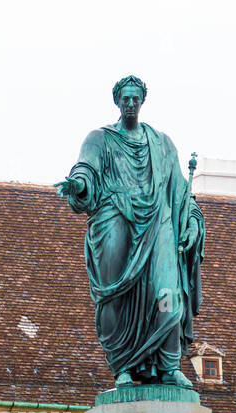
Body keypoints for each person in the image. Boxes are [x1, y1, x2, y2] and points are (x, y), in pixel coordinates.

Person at [56, 75, 205, 389]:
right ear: (116, 101)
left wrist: (190, 221)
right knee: (116, 298)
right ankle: (123, 365)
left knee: (168, 293)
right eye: (125, 98)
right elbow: (86, 169)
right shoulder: (100, 139)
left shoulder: (162, 144)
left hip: (159, 224)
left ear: (143, 101)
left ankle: (168, 364)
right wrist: (77, 184)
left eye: (135, 98)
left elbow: (180, 192)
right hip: (116, 219)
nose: (130, 104)